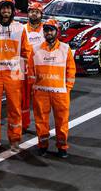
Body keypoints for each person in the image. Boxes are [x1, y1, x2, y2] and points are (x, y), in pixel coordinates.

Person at [0, 0, 32, 148]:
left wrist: (23, 73)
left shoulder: (20, 28)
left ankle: (15, 140)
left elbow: (26, 52)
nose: (6, 11)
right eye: (3, 8)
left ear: (12, 11)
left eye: (9, 8)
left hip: (14, 74)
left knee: (14, 108)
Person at [28, 18, 75, 156]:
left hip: (60, 93)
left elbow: (71, 71)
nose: (48, 33)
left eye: (51, 30)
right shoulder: (35, 49)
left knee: (62, 122)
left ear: (57, 32)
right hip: (41, 92)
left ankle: (62, 147)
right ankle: (42, 145)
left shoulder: (65, 49)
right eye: (46, 30)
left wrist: (67, 87)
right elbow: (30, 70)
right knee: (40, 121)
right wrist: (33, 87)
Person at [21, 0, 48, 131]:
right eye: (31, 12)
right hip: (24, 69)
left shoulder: (46, 30)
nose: (33, 14)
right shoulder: (22, 29)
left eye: (36, 12)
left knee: (40, 100)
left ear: (41, 14)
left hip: (40, 69)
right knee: (23, 99)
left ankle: (41, 127)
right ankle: (24, 124)